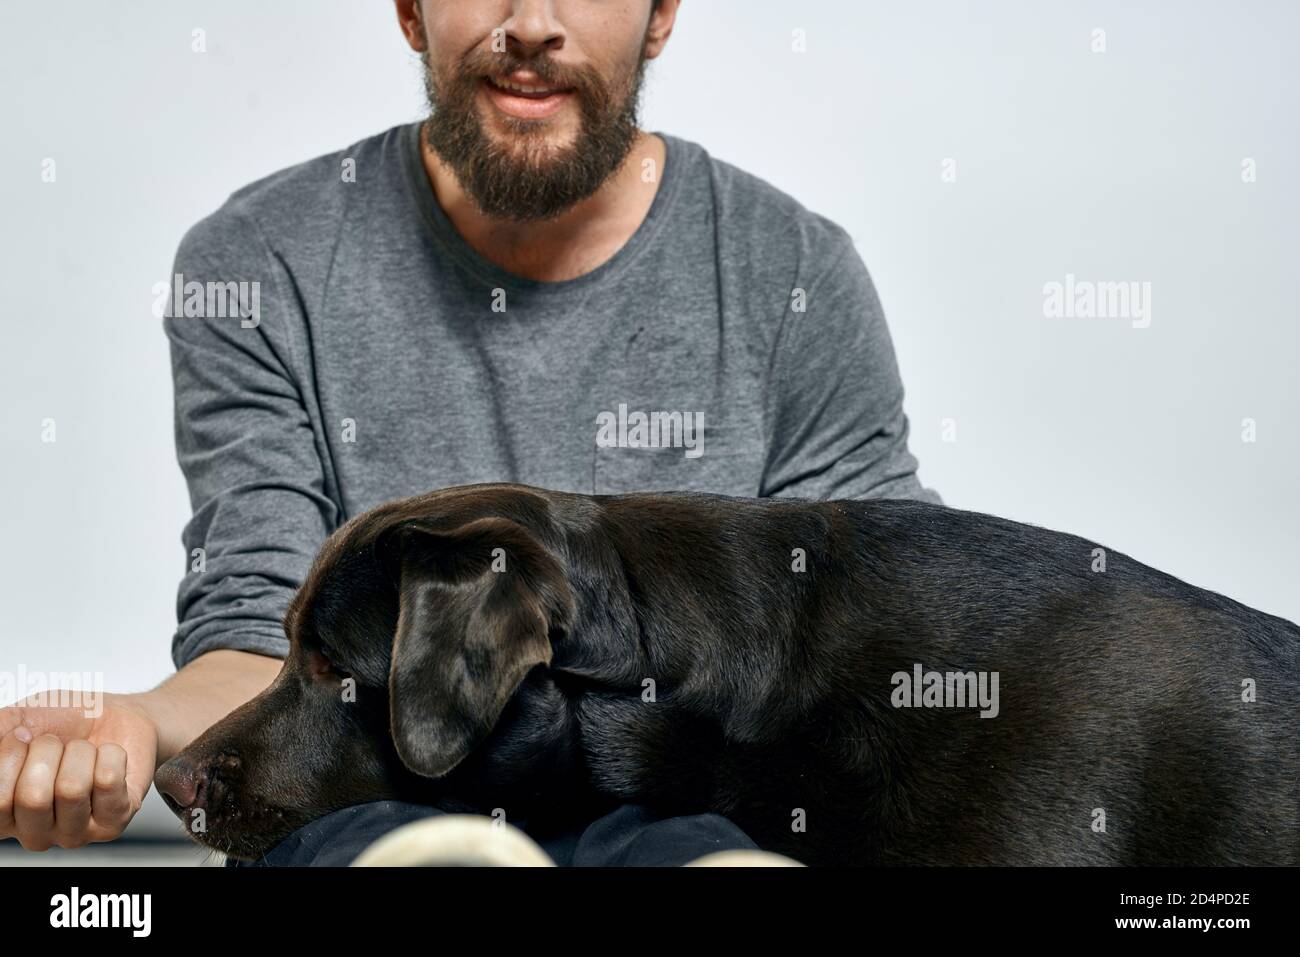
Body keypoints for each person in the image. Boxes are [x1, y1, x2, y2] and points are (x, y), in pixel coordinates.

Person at [0, 0, 939, 864]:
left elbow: (886, 628)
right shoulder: (256, 263)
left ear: (661, 16)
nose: (530, 23)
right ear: (411, 9)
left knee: (692, 831)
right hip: (377, 810)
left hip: (681, 802)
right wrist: (133, 721)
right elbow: (257, 636)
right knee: (368, 835)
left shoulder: (796, 274)